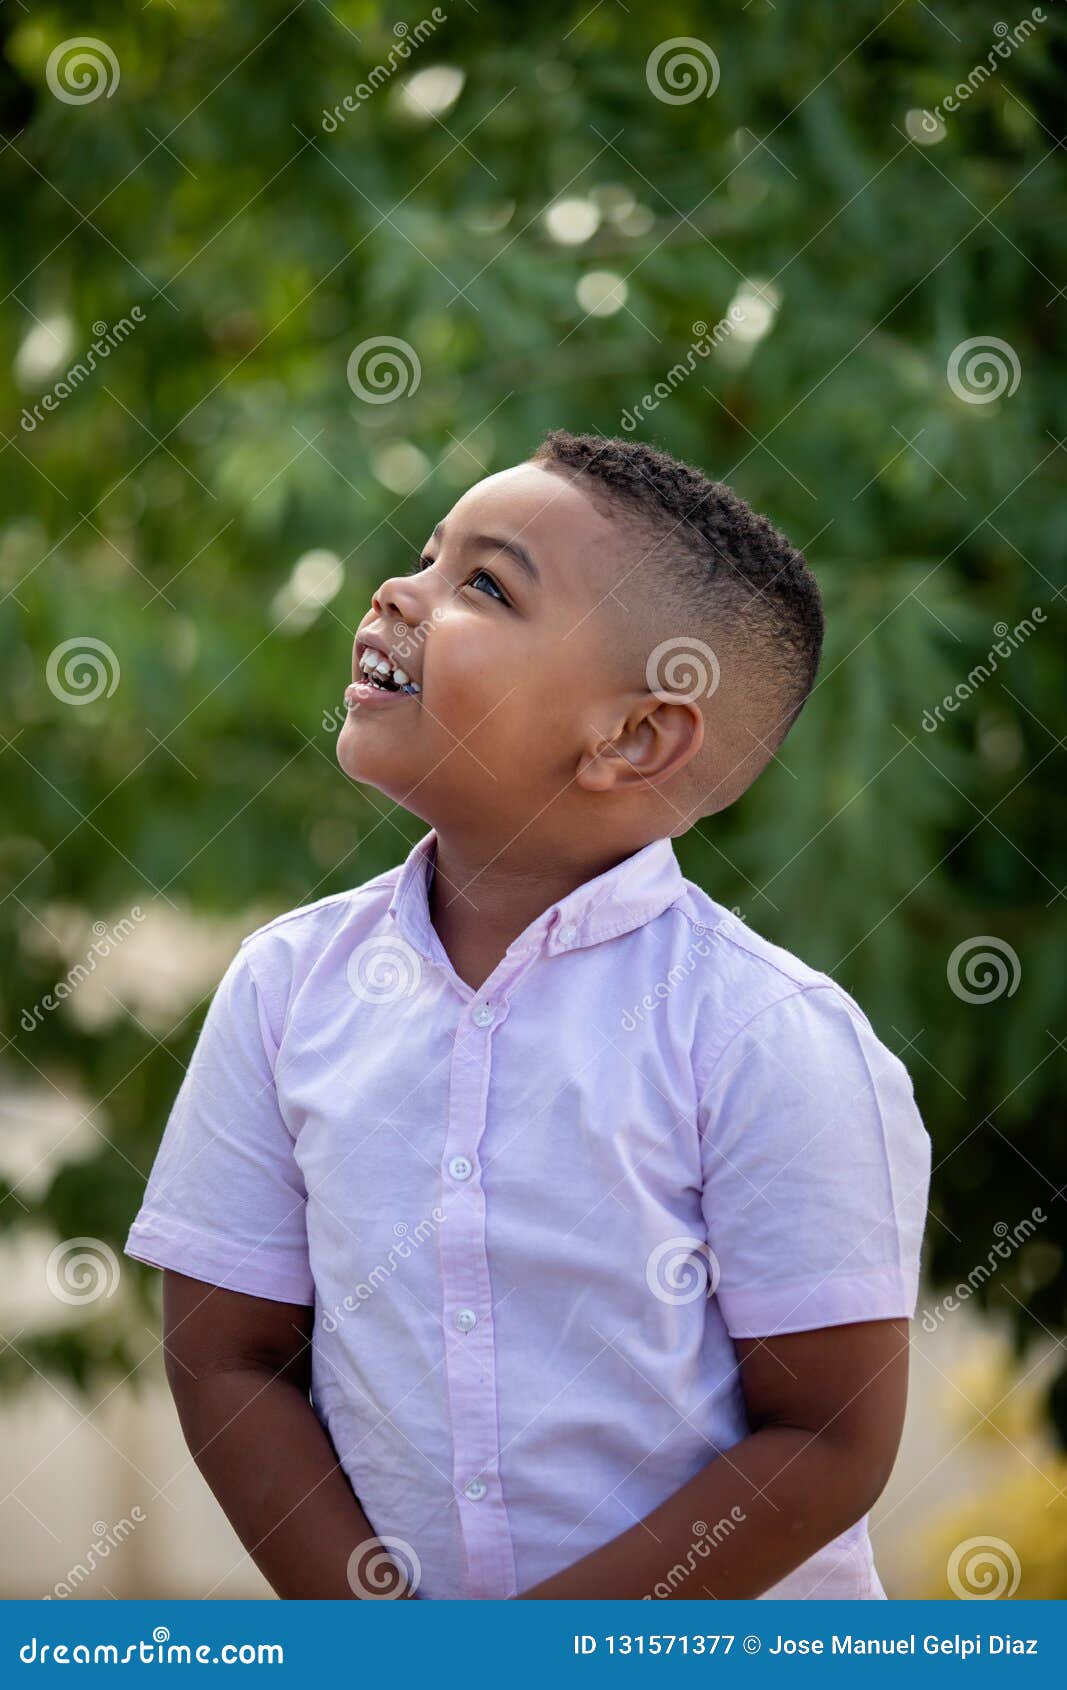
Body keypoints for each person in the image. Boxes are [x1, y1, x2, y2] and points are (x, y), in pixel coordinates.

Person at [125, 430, 931, 1600]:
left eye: (483, 586)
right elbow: (225, 1355)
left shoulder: (765, 1037)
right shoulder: (283, 987)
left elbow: (826, 1439)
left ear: (634, 735)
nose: (396, 593)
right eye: (425, 554)